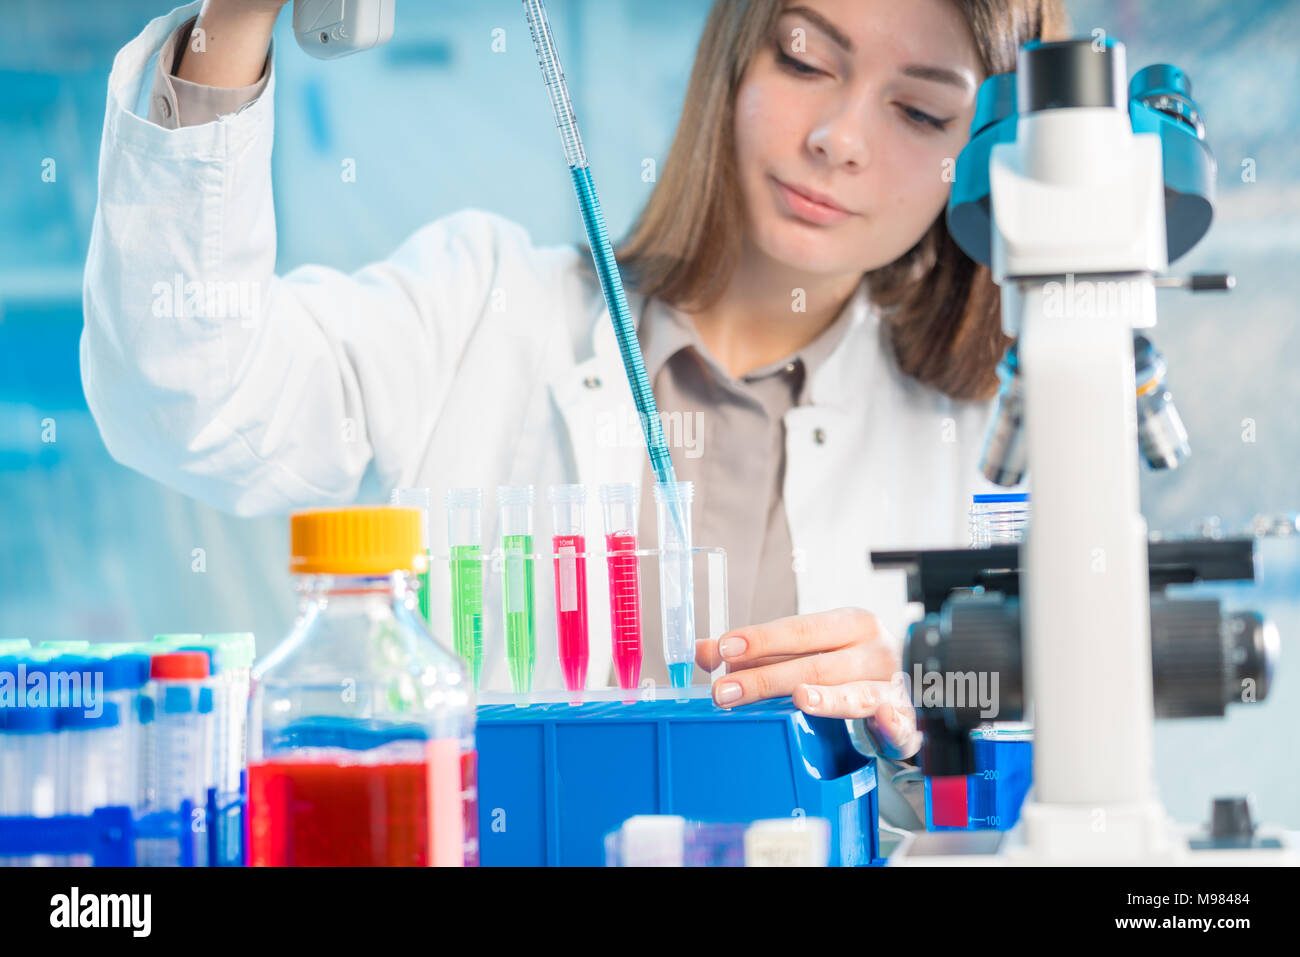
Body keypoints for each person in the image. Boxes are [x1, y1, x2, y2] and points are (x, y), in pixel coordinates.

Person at [82, 0, 1057, 827]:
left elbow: (1046, 802)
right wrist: (237, 20)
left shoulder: (988, 446)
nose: (837, 140)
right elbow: (190, 400)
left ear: (981, 150)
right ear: (733, 51)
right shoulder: (478, 308)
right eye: (803, 58)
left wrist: (923, 734)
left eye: (920, 113)